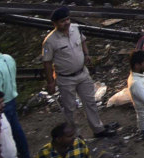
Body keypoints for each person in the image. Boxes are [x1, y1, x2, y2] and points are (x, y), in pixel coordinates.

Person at [41, 9, 114, 140]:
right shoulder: (50, 41)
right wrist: (50, 82)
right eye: (62, 21)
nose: (66, 23)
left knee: (90, 102)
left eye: (67, 19)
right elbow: (47, 62)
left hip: (82, 73)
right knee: (70, 109)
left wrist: (86, 54)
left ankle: (98, 129)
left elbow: (83, 41)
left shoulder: (76, 29)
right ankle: (75, 136)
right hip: (65, 78)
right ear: (55, 23)